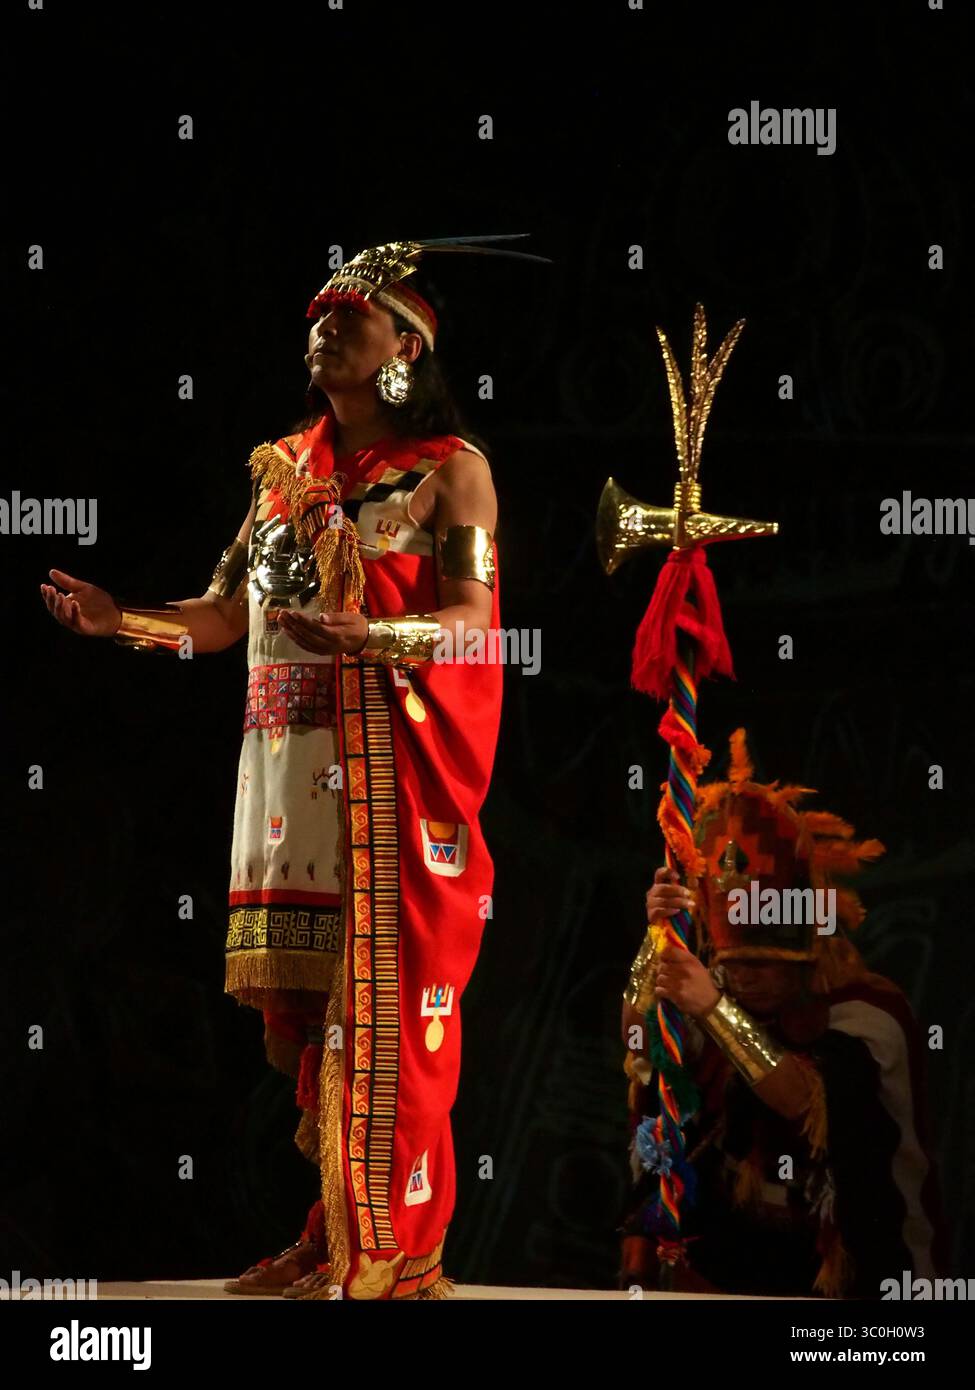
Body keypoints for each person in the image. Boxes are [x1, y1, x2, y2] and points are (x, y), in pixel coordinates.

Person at [41, 236, 543, 1300]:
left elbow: (471, 626)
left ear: (406, 344)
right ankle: (332, 1234)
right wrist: (117, 619)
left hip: (390, 776)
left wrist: (376, 639)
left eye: (351, 315)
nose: (324, 327)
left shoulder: (453, 472)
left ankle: (389, 1253)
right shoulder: (281, 475)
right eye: (317, 312)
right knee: (323, 1025)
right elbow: (222, 616)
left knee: (389, 1015)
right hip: (284, 781)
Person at [619, 728, 947, 1298]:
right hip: (738, 1261)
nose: (744, 979)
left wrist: (714, 1009)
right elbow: (641, 1045)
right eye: (734, 964)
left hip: (859, 1275)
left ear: (806, 958)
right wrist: (656, 937)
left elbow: (808, 1101)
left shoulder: (872, 1015)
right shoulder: (722, 987)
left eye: (765, 966)